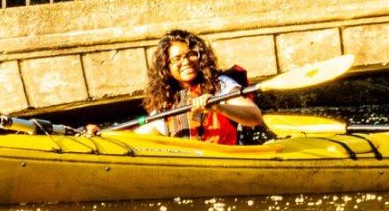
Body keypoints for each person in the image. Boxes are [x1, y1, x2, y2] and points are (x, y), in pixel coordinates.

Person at [93, 29, 263, 142]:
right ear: (166, 67)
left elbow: (254, 117)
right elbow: (137, 135)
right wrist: (101, 134)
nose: (186, 62)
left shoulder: (220, 85)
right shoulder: (167, 104)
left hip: (226, 158)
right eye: (177, 59)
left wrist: (219, 107)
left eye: (191, 55)